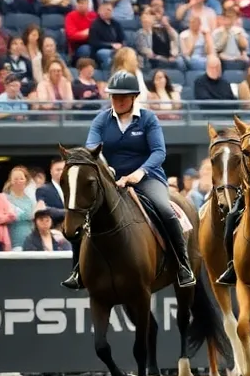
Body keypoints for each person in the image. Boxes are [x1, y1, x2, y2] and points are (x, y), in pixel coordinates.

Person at [62, 71, 196, 290]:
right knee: (81, 210)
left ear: (134, 97)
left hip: (147, 178)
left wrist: (138, 173)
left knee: (165, 210)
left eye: (123, 96)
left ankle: (183, 265)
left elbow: (159, 152)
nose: (118, 101)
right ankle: (77, 270)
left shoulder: (148, 119)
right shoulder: (101, 120)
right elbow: (91, 150)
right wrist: (109, 170)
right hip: (113, 181)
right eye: (114, 96)